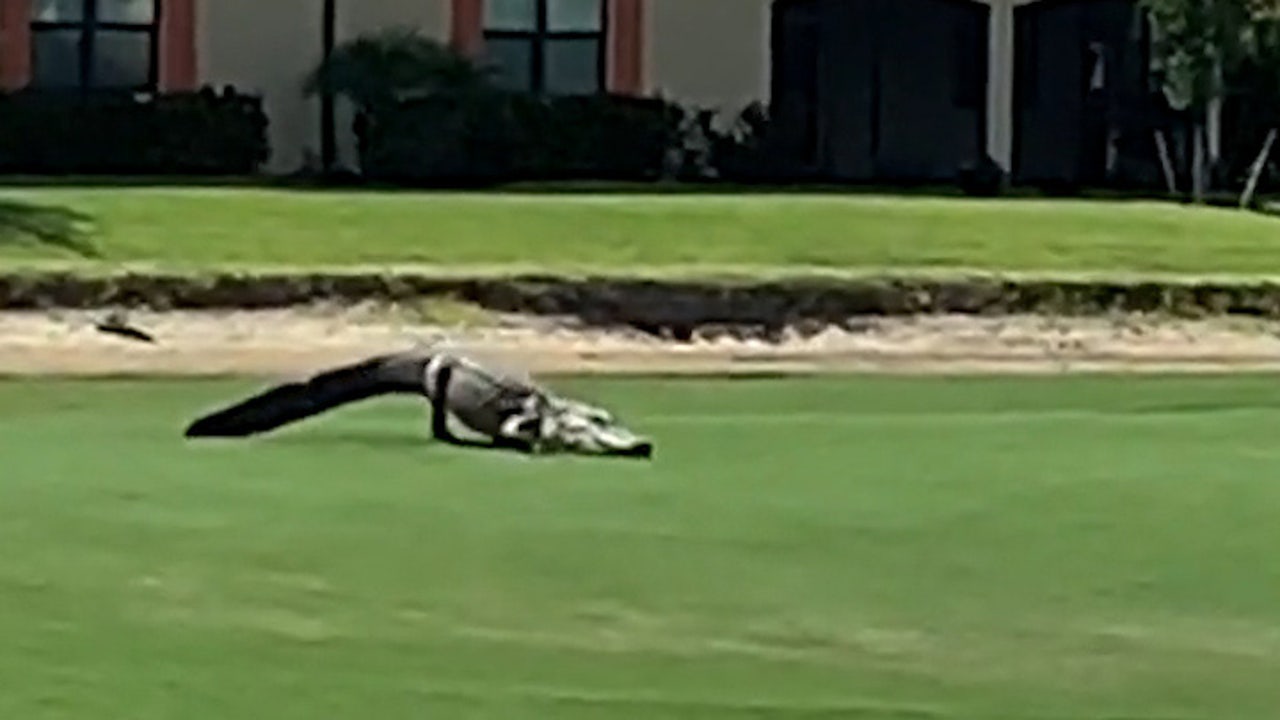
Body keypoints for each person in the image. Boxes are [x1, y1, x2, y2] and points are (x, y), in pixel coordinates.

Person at [183, 347, 653, 459]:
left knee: (323, 391)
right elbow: (446, 372)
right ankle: (226, 425)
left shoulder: (532, 409)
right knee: (319, 393)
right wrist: (442, 428)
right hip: (430, 366)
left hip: (456, 374)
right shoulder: (517, 414)